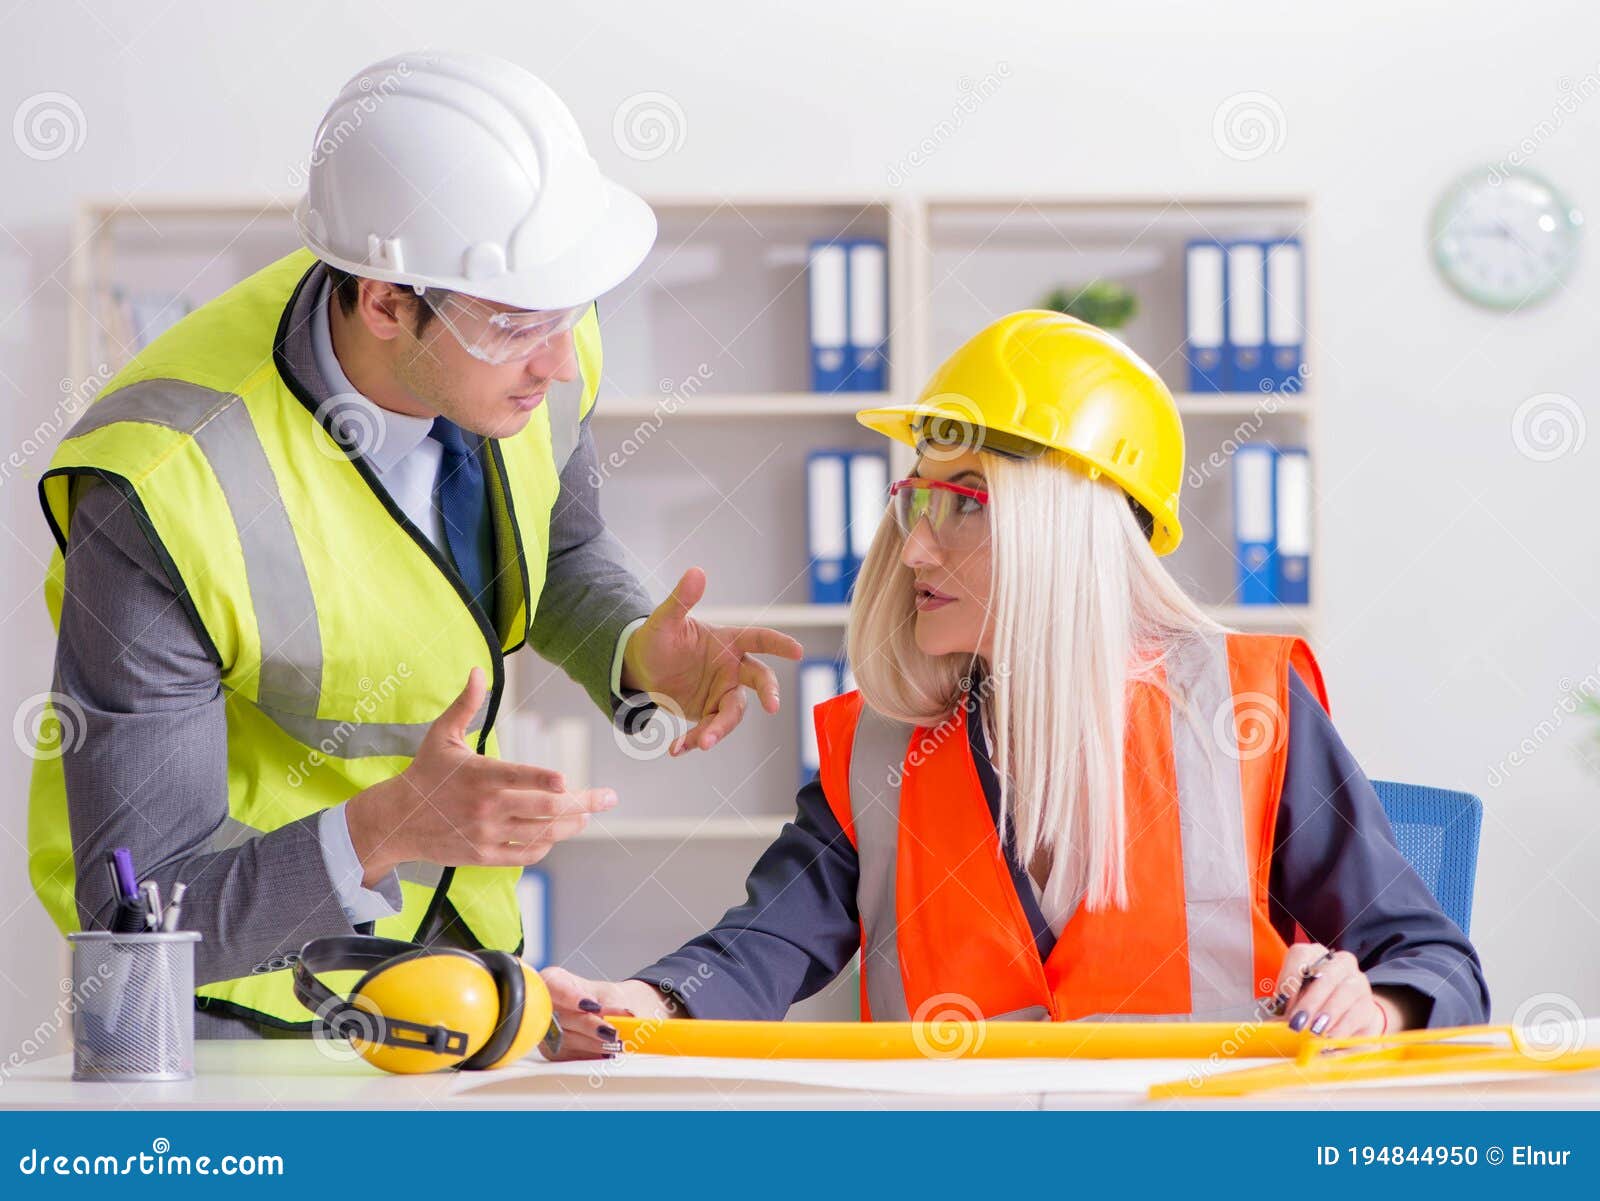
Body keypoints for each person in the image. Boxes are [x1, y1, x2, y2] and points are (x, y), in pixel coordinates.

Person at [26, 50, 800, 1037]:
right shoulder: (161, 489)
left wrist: (631, 644)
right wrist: (383, 828)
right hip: (242, 1011)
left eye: (567, 314)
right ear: (386, 301)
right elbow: (142, 910)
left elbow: (553, 549)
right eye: (522, 325)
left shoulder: (537, 322)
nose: (562, 363)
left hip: (466, 970)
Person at [543, 310, 1490, 1055]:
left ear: (1064, 531)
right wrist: (644, 1001)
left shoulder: (1250, 709)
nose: (913, 546)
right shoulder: (881, 747)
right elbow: (761, 948)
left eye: (962, 507)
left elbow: (1436, 962)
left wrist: (1380, 1004)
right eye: (914, 500)